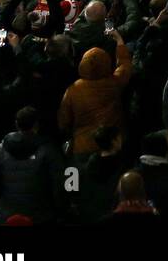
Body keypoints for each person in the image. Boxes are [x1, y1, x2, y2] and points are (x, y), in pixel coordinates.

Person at [57, 30, 133, 162]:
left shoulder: (73, 90)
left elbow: (64, 120)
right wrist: (119, 41)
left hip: (82, 146)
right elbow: (125, 65)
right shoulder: (115, 82)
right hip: (112, 144)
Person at [0, 106, 64, 224]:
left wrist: (0, 211)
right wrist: (60, 212)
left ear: (17, 124)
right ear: (36, 125)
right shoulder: (49, 150)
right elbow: (59, 186)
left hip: (7, 216)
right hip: (41, 217)